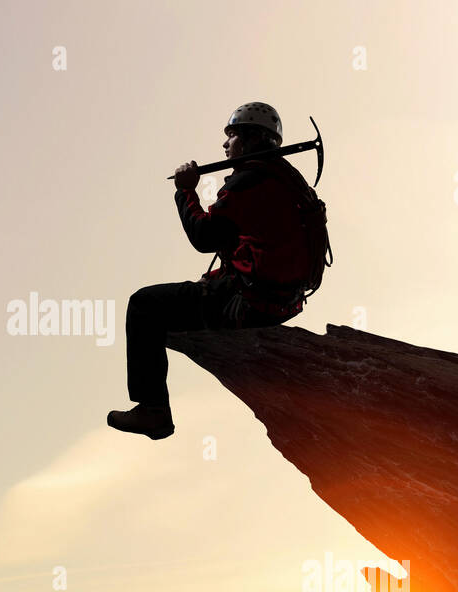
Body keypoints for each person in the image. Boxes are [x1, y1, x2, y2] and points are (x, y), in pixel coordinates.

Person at [107, 102, 315, 440]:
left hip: (250, 306)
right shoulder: (288, 182)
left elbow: (203, 236)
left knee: (144, 304)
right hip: (284, 302)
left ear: (247, 139)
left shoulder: (248, 183)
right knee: (182, 297)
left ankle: (153, 410)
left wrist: (185, 190)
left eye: (231, 135)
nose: (225, 145)